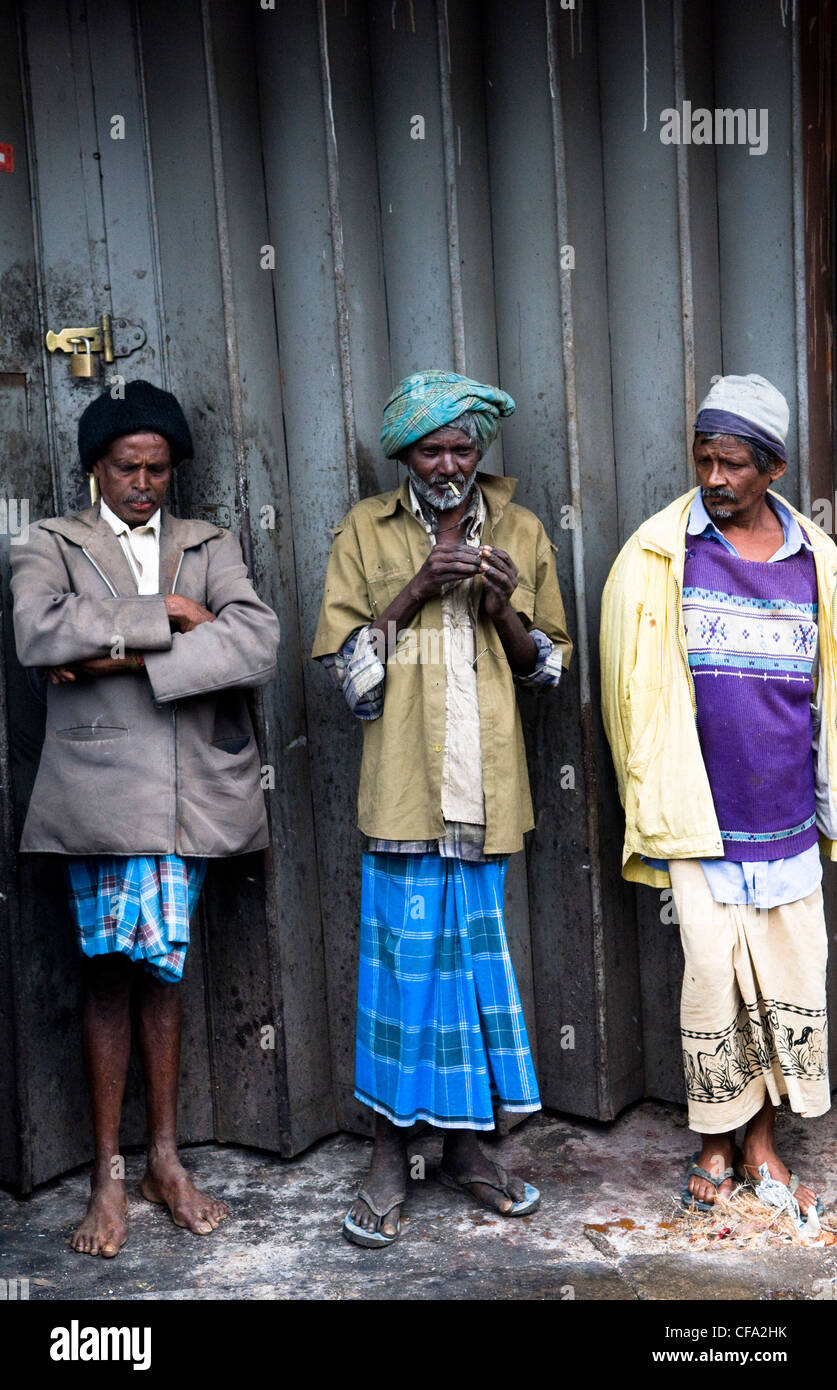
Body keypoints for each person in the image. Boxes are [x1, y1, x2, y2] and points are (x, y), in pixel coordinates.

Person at [10, 379, 279, 1256]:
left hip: (188, 792)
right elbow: (41, 637)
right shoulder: (46, 541)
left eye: (159, 468)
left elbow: (257, 643)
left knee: (165, 972)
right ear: (96, 468)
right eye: (127, 466)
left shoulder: (208, 542)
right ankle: (106, 1173)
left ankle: (163, 1158)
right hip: (98, 793)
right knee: (106, 976)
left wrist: (112, 655)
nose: (144, 483)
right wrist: (165, 614)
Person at [312, 369, 572, 1246]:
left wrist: (503, 608)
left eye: (464, 446)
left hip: (487, 800)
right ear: (404, 454)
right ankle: (388, 1155)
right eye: (432, 448)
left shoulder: (522, 530)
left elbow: (548, 671)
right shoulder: (365, 532)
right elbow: (352, 679)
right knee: (400, 983)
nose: (450, 462)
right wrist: (417, 586)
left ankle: (465, 1151)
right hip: (403, 800)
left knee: (463, 983)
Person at [600, 373, 836, 1215]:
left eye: (732, 464)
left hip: (788, 820)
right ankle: (711, 1142)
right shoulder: (658, 555)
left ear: (771, 467)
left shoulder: (817, 560)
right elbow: (626, 694)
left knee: (788, 979)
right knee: (711, 981)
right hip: (701, 819)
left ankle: (764, 1141)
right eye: (703, 460)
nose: (713, 478)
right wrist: (648, 800)